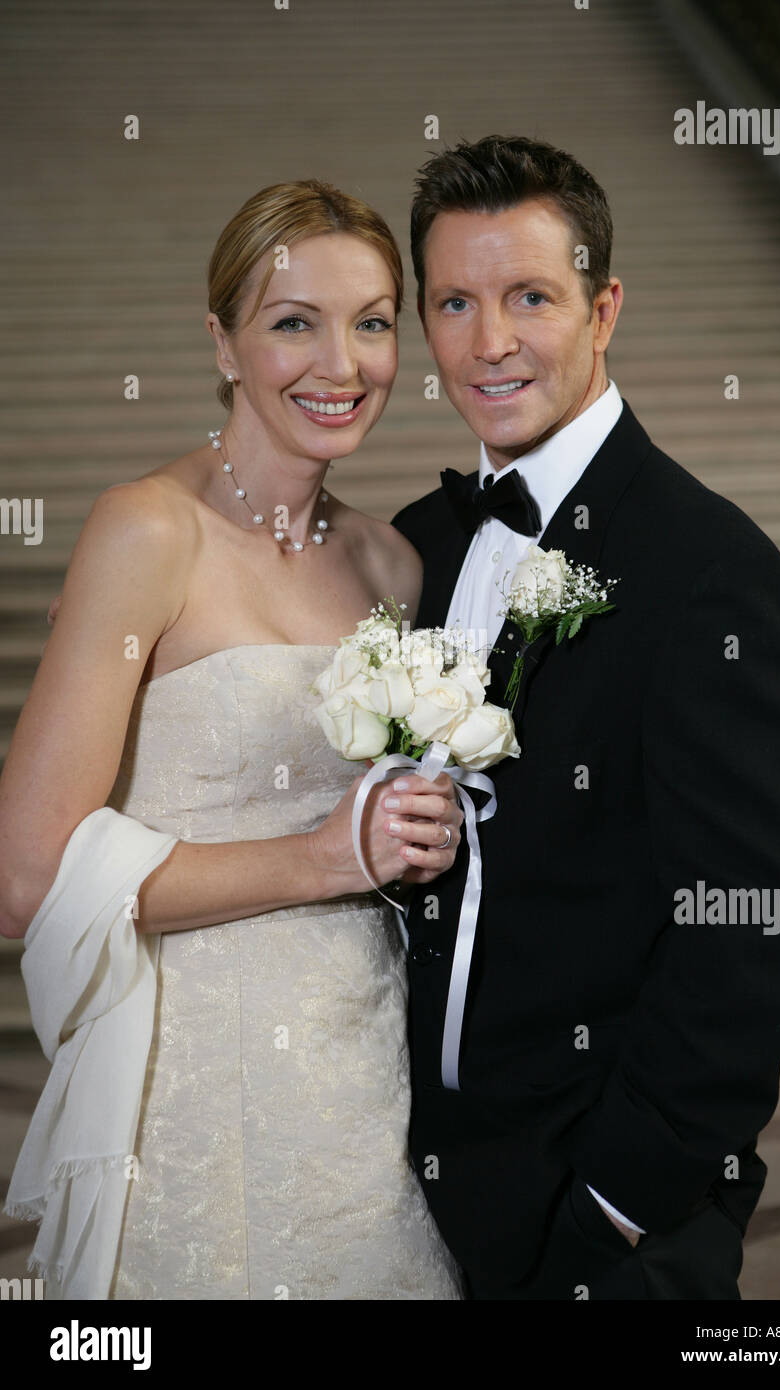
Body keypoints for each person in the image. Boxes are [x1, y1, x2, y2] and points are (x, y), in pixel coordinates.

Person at [391, 134, 780, 1300]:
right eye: (453, 301)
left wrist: (618, 1205)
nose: (488, 342)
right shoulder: (419, 547)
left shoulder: (707, 570)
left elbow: (756, 933)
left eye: (529, 295)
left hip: (606, 1225)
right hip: (419, 1202)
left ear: (603, 308)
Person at [0, 180, 465, 1300]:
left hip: (366, 1088)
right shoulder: (148, 531)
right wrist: (323, 856)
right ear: (222, 341)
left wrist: (425, 831)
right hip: (193, 1087)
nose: (339, 364)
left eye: (369, 322)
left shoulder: (391, 567)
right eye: (292, 322)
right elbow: (25, 875)